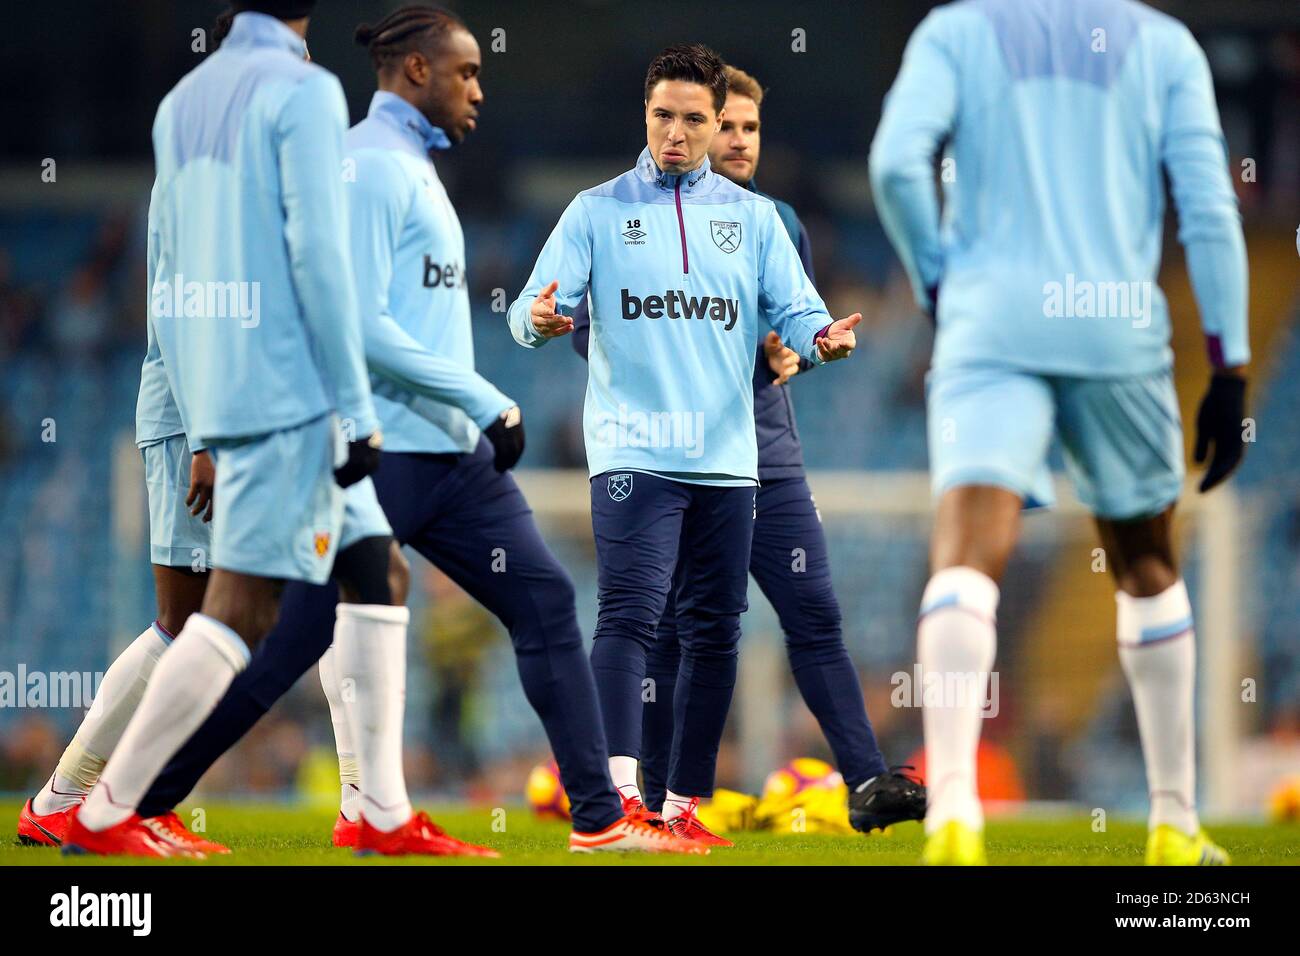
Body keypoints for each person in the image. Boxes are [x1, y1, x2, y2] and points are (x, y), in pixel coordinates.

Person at [130, 4, 700, 856]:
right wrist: (482, 397)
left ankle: (600, 821)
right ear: (418, 72)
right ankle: (140, 800)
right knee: (288, 636)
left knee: (543, 599)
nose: (479, 90)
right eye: (467, 73)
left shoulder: (412, 167)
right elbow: (359, 321)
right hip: (384, 450)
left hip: (452, 458)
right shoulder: (364, 166)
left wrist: (469, 414)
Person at [870, 0, 1247, 864]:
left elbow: (895, 165)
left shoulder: (956, 31)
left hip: (991, 323)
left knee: (966, 551)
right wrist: (1227, 365)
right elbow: (1210, 209)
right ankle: (1174, 823)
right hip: (1115, 330)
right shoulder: (1164, 45)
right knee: (1147, 562)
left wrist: (939, 282)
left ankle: (956, 805)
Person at [59, 0, 414, 857]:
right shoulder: (299, 93)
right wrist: (209, 432)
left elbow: (199, 273)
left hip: (251, 400)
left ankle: (370, 804)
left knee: (358, 581)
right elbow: (210, 281)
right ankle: (81, 798)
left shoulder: (186, 107)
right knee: (205, 622)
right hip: (214, 407)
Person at [508, 44, 861, 845]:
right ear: (646, 115)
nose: (676, 132)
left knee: (715, 631)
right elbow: (526, 308)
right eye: (662, 115)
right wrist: (534, 321)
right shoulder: (595, 211)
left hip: (728, 461)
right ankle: (613, 802)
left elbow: (799, 311)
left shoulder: (756, 220)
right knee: (629, 617)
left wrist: (823, 339)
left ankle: (681, 807)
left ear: (713, 122)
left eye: (693, 118)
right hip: (634, 453)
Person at [569, 64, 924, 833]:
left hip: (767, 457)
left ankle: (865, 783)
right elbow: (598, 328)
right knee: (664, 631)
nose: (734, 140)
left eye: (748, 128)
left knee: (812, 613)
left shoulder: (774, 224)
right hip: (672, 454)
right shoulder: (634, 219)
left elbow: (798, 322)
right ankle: (653, 802)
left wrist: (798, 347)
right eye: (721, 124)